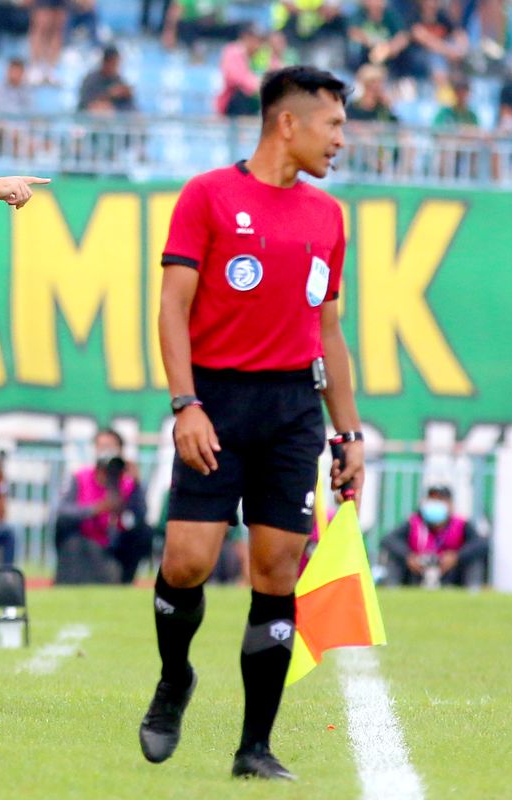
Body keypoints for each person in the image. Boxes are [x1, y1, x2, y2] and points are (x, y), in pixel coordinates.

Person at [142, 66, 362, 781]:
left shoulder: (329, 216)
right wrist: (186, 404)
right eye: (332, 124)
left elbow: (329, 330)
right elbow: (173, 309)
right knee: (187, 563)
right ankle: (174, 678)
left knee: (275, 571)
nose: (341, 139)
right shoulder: (207, 195)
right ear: (287, 123)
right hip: (216, 402)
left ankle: (254, 747)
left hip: (294, 409)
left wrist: (348, 434)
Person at [54, 428, 152, 584]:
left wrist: (136, 485)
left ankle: (125, 580)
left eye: (111, 447)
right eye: (101, 447)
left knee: (144, 532)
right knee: (64, 527)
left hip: (117, 541)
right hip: (85, 538)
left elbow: (141, 516)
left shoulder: (128, 482)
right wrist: (95, 509)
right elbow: (62, 510)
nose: (106, 452)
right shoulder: (81, 478)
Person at [380, 486, 489, 587]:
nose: (435, 504)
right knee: (395, 558)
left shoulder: (460, 524)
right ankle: (392, 589)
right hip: (418, 571)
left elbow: (482, 544)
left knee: (474, 560)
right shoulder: (414, 522)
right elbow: (388, 539)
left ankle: (473, 591)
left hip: (449, 572)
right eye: (432, 500)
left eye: (440, 500)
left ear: (450, 504)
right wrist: (408, 556)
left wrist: (457, 557)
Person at [217, 25, 275, 117]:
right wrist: (260, 85)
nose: (259, 44)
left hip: (254, 98)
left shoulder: (260, 55)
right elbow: (236, 78)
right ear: (246, 38)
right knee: (241, 96)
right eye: (256, 40)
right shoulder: (233, 52)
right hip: (232, 101)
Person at [345, 0, 410, 75]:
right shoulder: (358, 15)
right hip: (363, 60)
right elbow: (354, 33)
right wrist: (375, 46)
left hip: (389, 62)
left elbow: (403, 36)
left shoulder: (391, 15)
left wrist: (388, 49)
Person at [78, 45, 135, 114]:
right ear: (106, 63)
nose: (116, 67)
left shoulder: (119, 81)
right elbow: (85, 104)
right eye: (114, 64)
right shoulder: (91, 81)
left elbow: (130, 108)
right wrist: (109, 94)